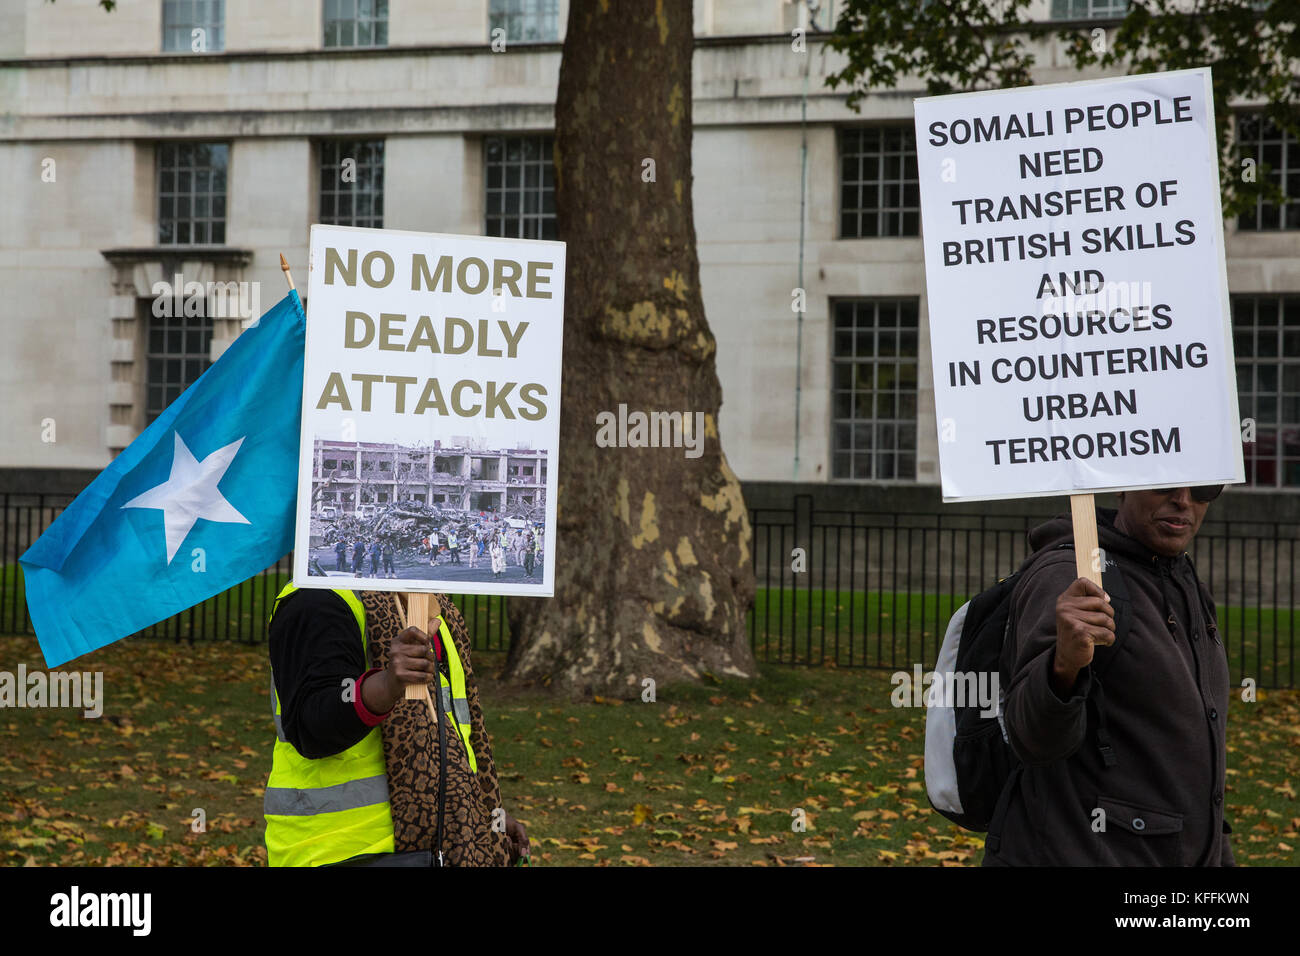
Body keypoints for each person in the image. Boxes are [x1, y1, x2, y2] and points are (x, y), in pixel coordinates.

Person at [984, 486, 1234, 866]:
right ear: (1122, 483)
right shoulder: (1069, 575)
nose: (1184, 501)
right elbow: (1031, 738)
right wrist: (1064, 665)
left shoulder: (1183, 581)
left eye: (1204, 488)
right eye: (1165, 483)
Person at [264, 586, 529, 867]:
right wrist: (387, 686)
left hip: (436, 845)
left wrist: (481, 810)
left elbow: (451, 733)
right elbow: (313, 725)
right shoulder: (315, 598)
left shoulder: (429, 604)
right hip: (340, 849)